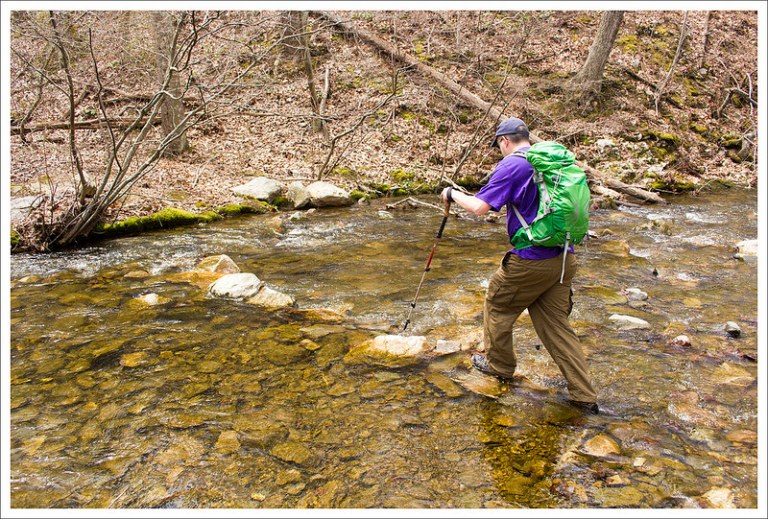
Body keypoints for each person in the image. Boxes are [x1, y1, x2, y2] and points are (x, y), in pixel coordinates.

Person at [441, 117, 599, 414]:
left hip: (531, 261)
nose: (499, 151)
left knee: (497, 303)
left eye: (498, 146)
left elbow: (480, 208)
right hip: (564, 258)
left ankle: (499, 366)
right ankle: (584, 395)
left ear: (504, 141)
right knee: (556, 327)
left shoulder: (513, 164)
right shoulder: (552, 164)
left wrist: (451, 194)